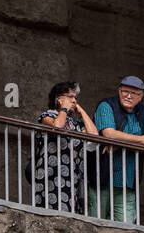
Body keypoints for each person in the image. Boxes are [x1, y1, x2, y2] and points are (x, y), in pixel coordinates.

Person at [88, 75, 144, 225]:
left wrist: (118, 143)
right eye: (125, 91)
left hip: (128, 181)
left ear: (141, 96)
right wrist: (139, 139)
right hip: (102, 176)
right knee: (96, 224)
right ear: (119, 91)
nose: (128, 96)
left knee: (126, 228)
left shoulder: (143, 111)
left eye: (134, 93)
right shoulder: (106, 105)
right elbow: (109, 133)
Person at [33, 81, 98, 212]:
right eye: (70, 97)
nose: (74, 100)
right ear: (59, 99)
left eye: (75, 97)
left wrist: (82, 112)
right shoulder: (47, 116)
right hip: (52, 174)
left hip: (73, 177)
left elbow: (94, 135)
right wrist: (64, 108)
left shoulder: (76, 124)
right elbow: (58, 126)